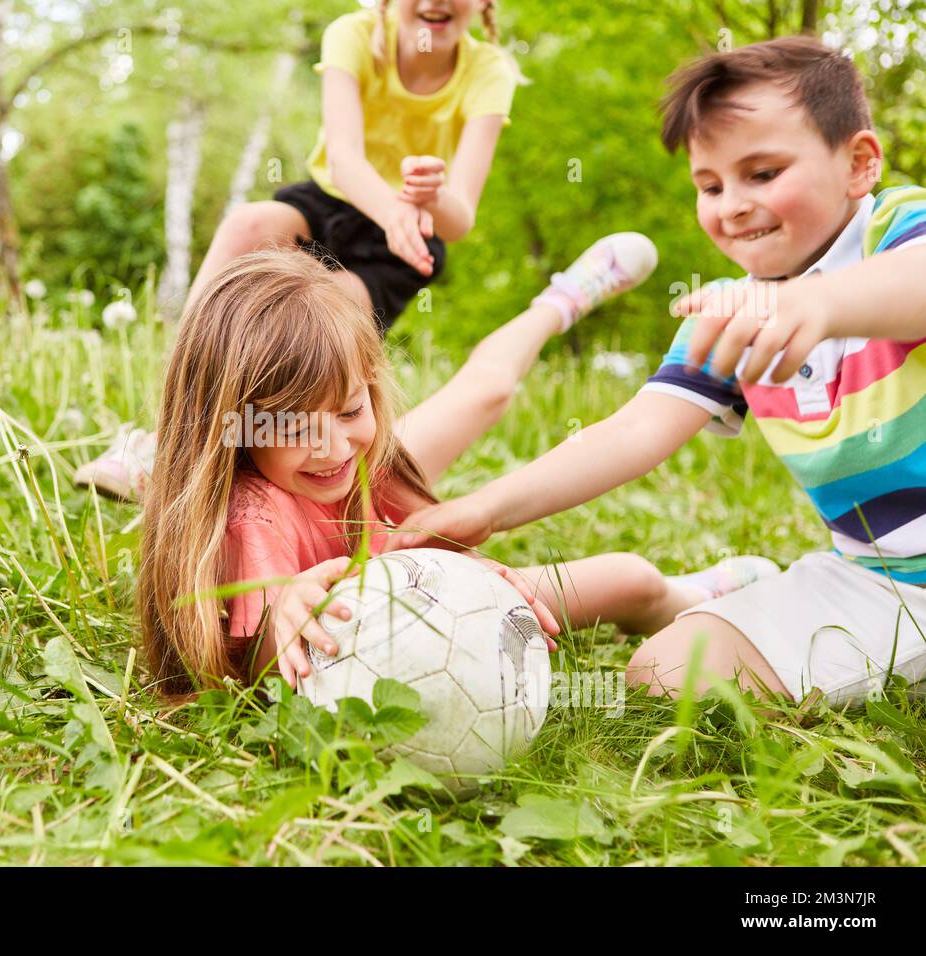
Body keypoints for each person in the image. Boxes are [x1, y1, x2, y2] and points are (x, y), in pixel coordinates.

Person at [385, 37, 926, 707]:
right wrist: (488, 509)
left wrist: (814, 302)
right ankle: (738, 591)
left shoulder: (901, 233)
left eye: (762, 174)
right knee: (665, 674)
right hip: (880, 582)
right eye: (711, 185)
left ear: (859, 164)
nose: (731, 205)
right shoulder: (726, 315)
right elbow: (635, 431)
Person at [138, 250, 777, 696]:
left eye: (351, 407)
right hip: (403, 620)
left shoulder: (342, 454)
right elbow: (260, 647)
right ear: (235, 427)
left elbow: (350, 467)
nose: (333, 444)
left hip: (378, 519)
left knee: (486, 391)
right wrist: (285, 617)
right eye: (297, 425)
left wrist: (475, 574)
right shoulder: (256, 514)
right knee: (631, 579)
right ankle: (697, 595)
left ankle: (564, 298)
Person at [77, 0, 521, 501]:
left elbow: (460, 215)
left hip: (405, 238)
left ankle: (285, 469)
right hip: (336, 199)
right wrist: (390, 207)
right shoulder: (351, 35)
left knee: (325, 313)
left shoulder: (490, 70)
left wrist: (429, 195)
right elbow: (345, 158)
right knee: (250, 223)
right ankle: (166, 440)